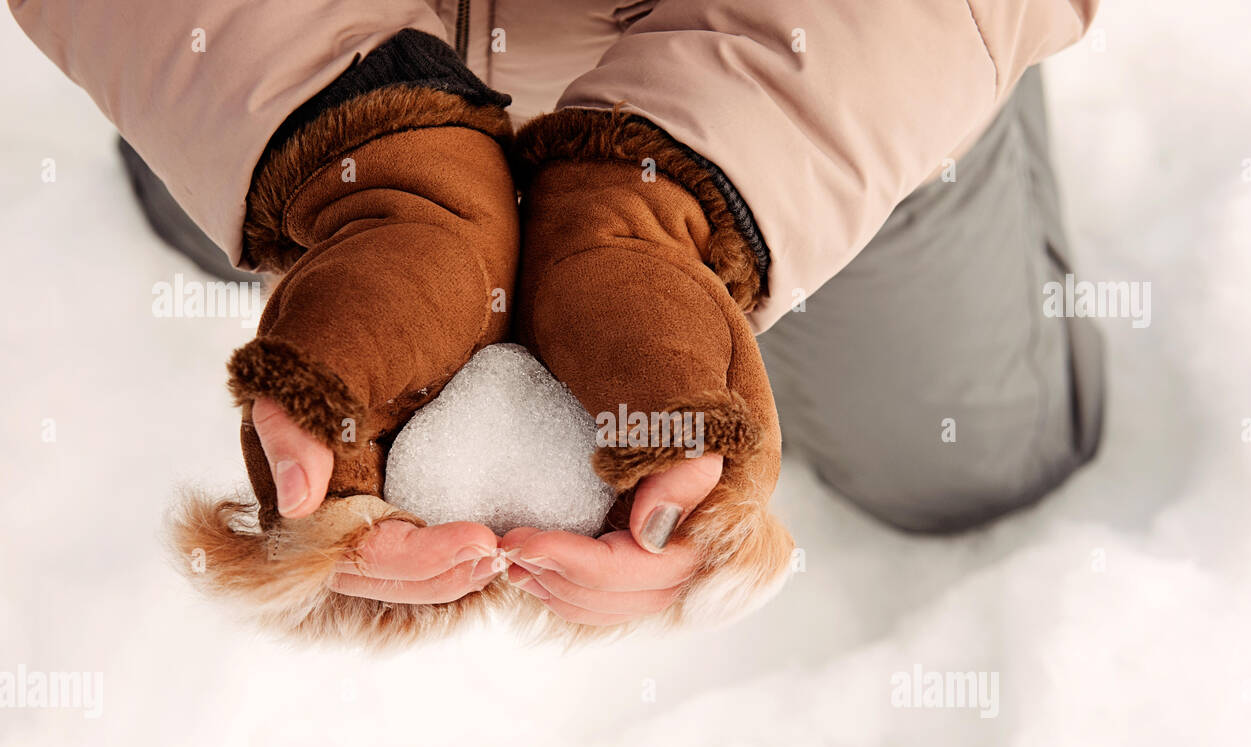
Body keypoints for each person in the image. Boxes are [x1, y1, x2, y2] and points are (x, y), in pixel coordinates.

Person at [10, 1, 1103, 635]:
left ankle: (920, 112)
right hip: (301, 59)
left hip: (804, 62)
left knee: (968, 455)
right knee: (202, 202)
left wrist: (668, 202)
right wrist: (354, 155)